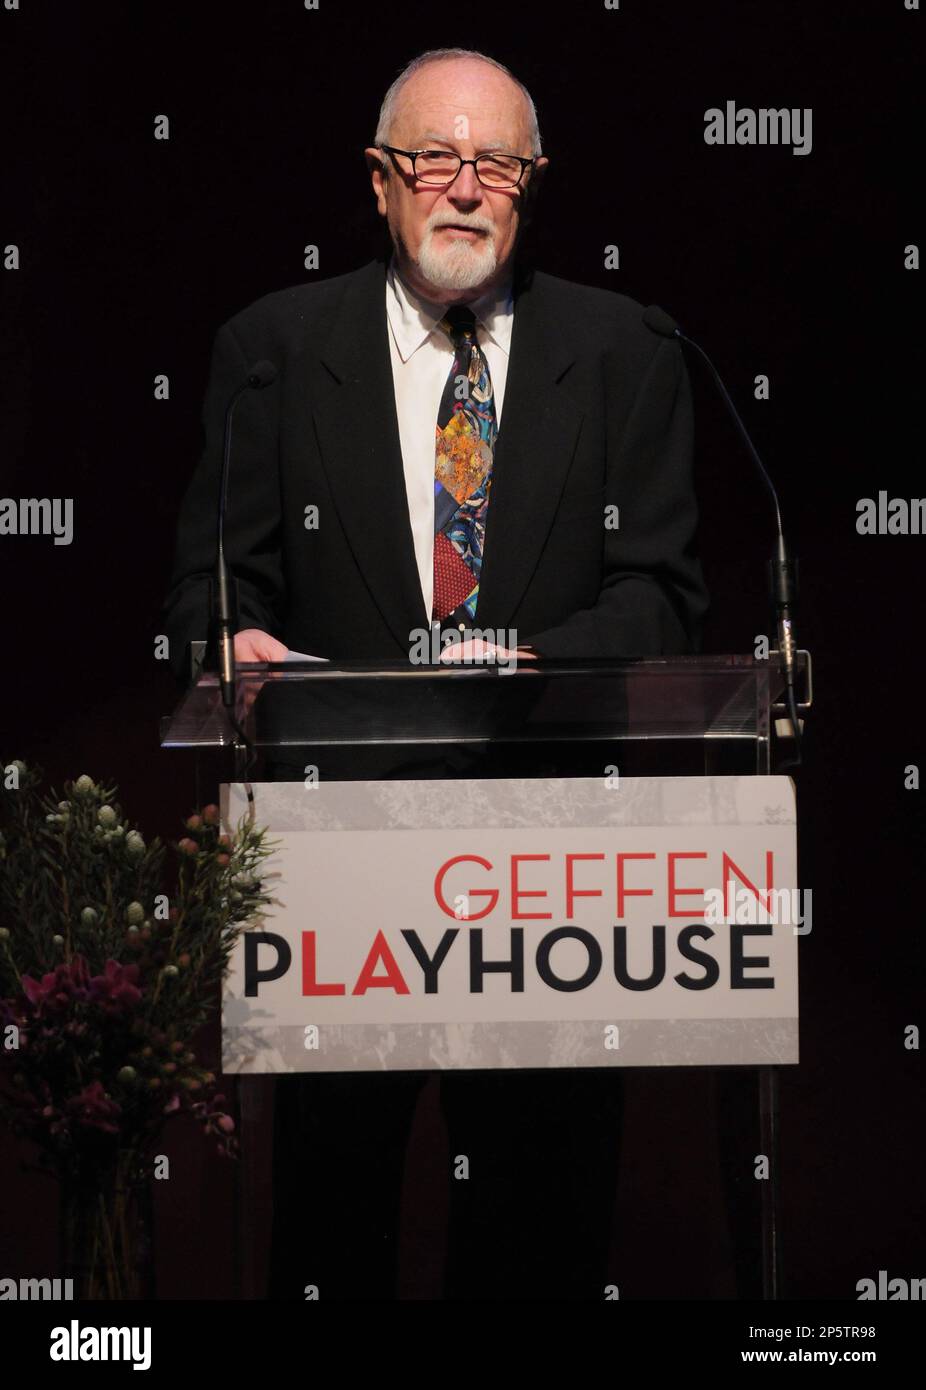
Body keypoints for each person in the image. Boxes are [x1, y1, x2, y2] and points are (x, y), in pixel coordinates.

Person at [162, 47, 709, 1299]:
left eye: (494, 163)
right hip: (337, 878)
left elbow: (663, 599)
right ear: (378, 180)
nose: (462, 187)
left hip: (553, 884)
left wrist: (519, 655)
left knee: (540, 1235)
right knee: (328, 1225)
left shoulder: (626, 346)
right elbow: (205, 594)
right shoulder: (273, 352)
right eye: (431, 157)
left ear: (529, 182)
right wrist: (225, 640)